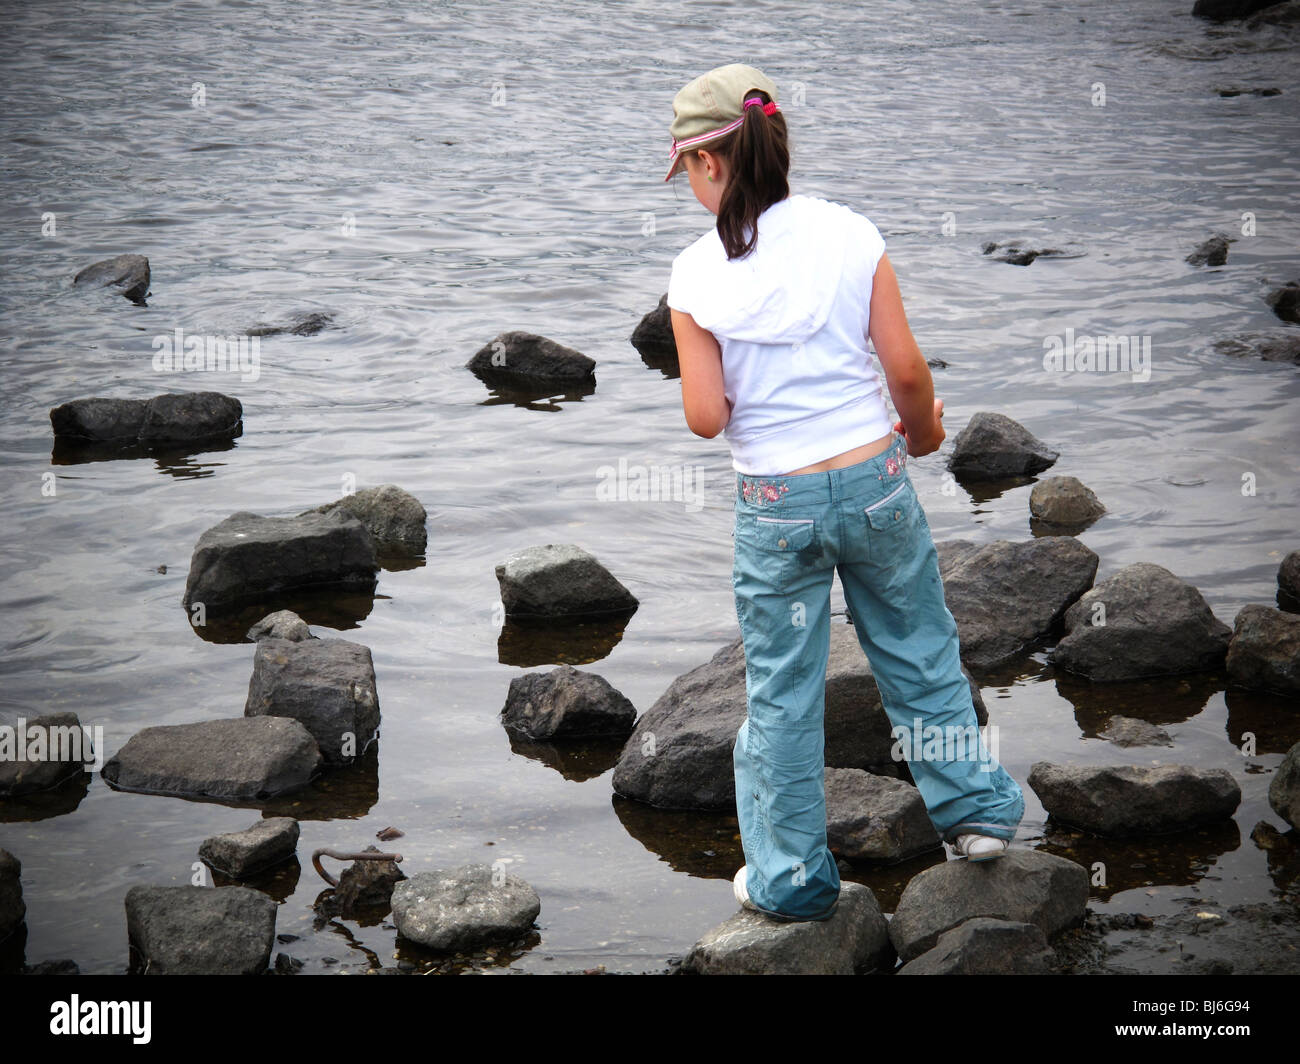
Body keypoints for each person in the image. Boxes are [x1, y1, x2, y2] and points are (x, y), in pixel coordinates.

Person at [664, 64, 1025, 923]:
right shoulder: (850, 233)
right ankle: (974, 815)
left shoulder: (693, 277)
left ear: (710, 167)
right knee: (916, 646)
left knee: (783, 690)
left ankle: (790, 877)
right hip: (874, 484)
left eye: (684, 172)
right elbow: (905, 372)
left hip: (778, 505)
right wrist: (930, 435)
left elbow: (707, 418)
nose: (688, 189)